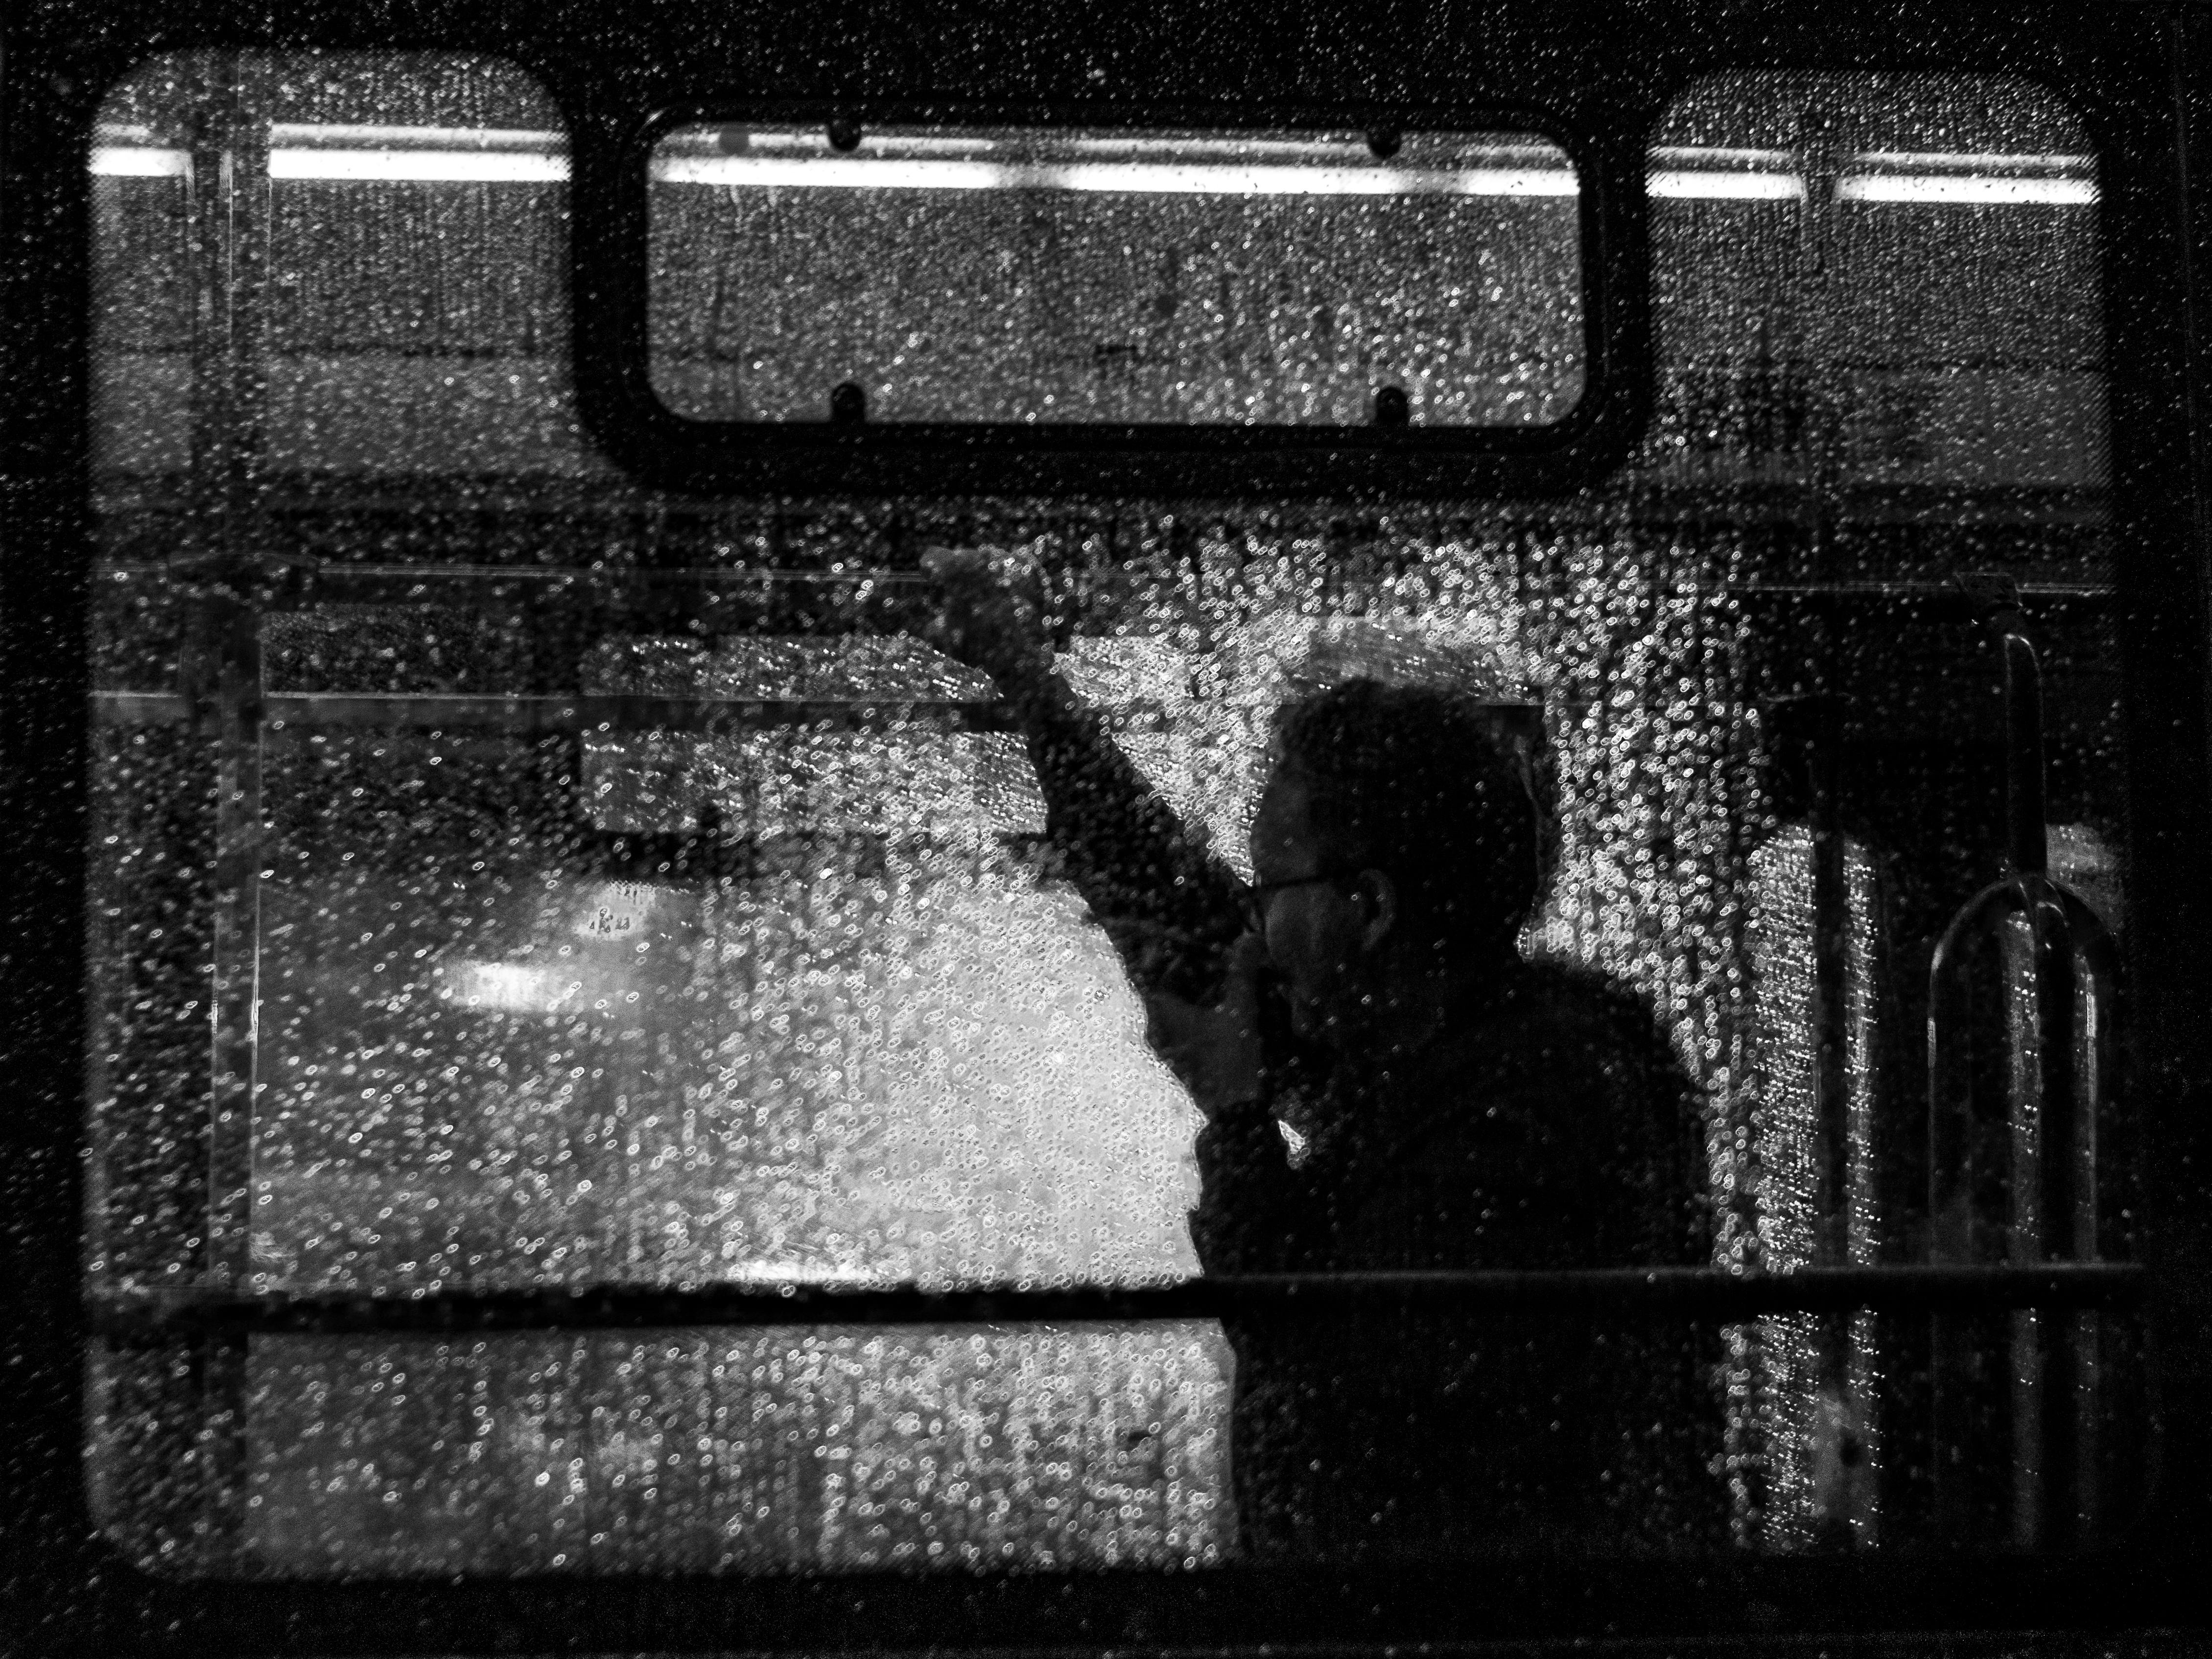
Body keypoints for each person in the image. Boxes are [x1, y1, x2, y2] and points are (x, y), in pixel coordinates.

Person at [924, 546, 1725, 1559]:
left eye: (1273, 890)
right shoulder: (1437, 1039)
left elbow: (1332, 1356)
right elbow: (1178, 915)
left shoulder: (1539, 1092)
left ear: (1372, 908)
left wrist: (1239, 1119)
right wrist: (1028, 682)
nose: (1256, 932)